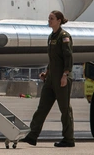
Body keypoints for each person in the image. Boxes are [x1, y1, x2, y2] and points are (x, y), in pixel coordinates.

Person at [20, 10, 75, 147]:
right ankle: (32, 136)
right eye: (49, 18)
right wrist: (47, 72)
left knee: (65, 110)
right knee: (42, 108)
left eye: (52, 18)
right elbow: (53, 59)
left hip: (62, 78)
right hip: (51, 78)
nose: (49, 20)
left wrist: (65, 75)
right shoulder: (51, 37)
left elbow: (68, 57)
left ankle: (69, 139)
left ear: (59, 20)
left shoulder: (64, 37)